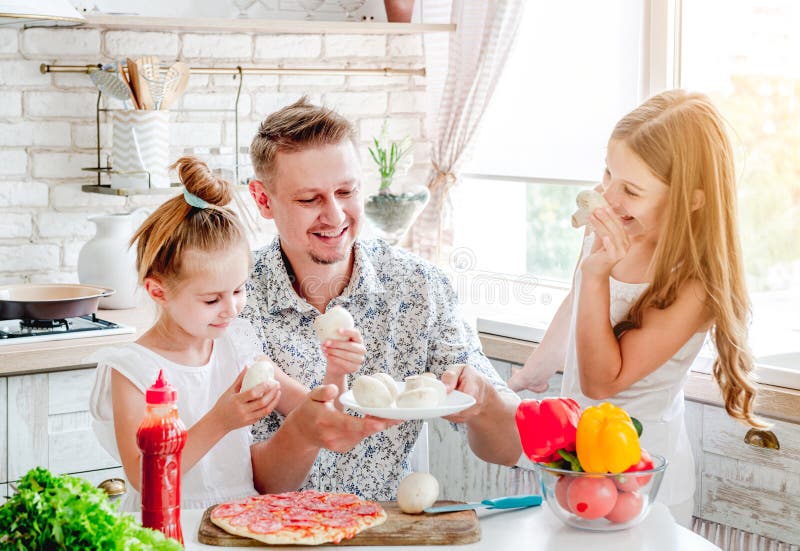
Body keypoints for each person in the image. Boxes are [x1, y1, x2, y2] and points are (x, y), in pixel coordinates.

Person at [242, 97, 523, 501]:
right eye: (310, 199)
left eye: (346, 191)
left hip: (389, 533)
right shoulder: (231, 301)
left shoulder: (418, 287)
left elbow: (508, 448)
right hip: (269, 535)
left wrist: (484, 402)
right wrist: (307, 429)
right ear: (263, 199)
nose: (336, 215)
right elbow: (244, 480)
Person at [508, 90, 765, 527]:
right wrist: (535, 371)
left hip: (642, 478)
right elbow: (577, 303)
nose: (607, 196)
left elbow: (600, 381)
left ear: (691, 199)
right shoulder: (608, 231)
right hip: (576, 459)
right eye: (607, 172)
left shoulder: (695, 284)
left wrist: (595, 276)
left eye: (630, 189)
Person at [88, 156, 393, 512]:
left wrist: (337, 373)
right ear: (158, 291)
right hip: (166, 528)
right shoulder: (132, 370)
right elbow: (146, 477)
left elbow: (314, 412)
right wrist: (222, 420)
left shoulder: (238, 345)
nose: (232, 308)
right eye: (211, 299)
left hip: (240, 521)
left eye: (238, 290)